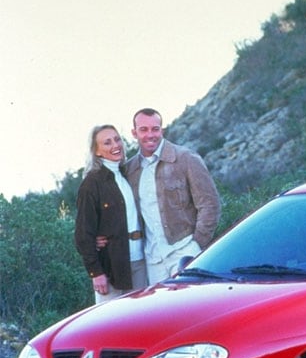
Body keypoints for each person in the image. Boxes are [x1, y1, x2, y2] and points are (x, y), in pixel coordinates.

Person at [124, 108, 221, 283]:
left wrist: (197, 244)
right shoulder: (131, 170)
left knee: (191, 307)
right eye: (144, 130)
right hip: (153, 259)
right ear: (134, 133)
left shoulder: (185, 158)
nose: (150, 135)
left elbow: (210, 204)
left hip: (184, 251)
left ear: (162, 130)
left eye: (155, 129)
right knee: (161, 309)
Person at [75, 125, 147, 303]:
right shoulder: (92, 183)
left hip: (140, 260)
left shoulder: (127, 175)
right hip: (111, 266)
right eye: (107, 142)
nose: (115, 145)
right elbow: (83, 234)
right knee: (111, 322)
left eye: (117, 139)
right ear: (97, 151)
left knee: (141, 320)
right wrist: (96, 272)